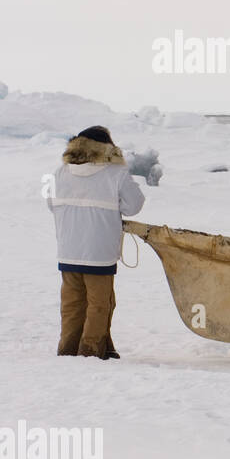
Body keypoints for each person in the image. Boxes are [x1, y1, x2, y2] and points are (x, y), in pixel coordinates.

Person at [46, 126, 146, 358]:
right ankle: (91, 351)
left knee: (72, 305)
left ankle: (67, 349)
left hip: (68, 251)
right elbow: (134, 205)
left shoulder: (58, 173)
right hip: (99, 253)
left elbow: (51, 205)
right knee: (100, 305)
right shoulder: (115, 173)